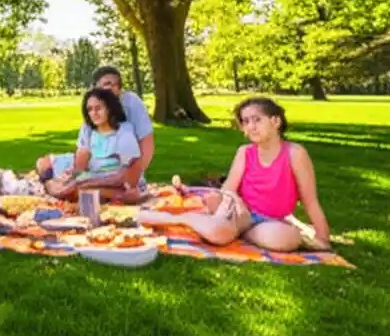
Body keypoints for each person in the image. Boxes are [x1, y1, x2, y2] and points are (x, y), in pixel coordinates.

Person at [137, 97, 332, 251]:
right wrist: (236, 205)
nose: (250, 126)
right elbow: (229, 189)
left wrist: (322, 238)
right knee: (217, 233)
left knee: (286, 239)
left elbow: (310, 200)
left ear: (276, 121)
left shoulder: (295, 153)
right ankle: (177, 218)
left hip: (270, 220)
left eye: (257, 120)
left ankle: (241, 232)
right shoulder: (245, 152)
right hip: (240, 211)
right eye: (245, 122)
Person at [41, 88, 145, 201]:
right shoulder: (90, 132)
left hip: (121, 184)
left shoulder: (124, 131)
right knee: (58, 178)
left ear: (110, 108)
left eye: (98, 108)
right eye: (90, 109)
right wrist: (75, 176)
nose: (93, 113)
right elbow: (81, 168)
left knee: (81, 191)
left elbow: (126, 176)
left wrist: (88, 183)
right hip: (95, 178)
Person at [91, 66, 155, 187]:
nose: (111, 88)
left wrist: (133, 176)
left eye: (116, 85)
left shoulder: (130, 104)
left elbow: (147, 144)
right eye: (106, 84)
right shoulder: (91, 110)